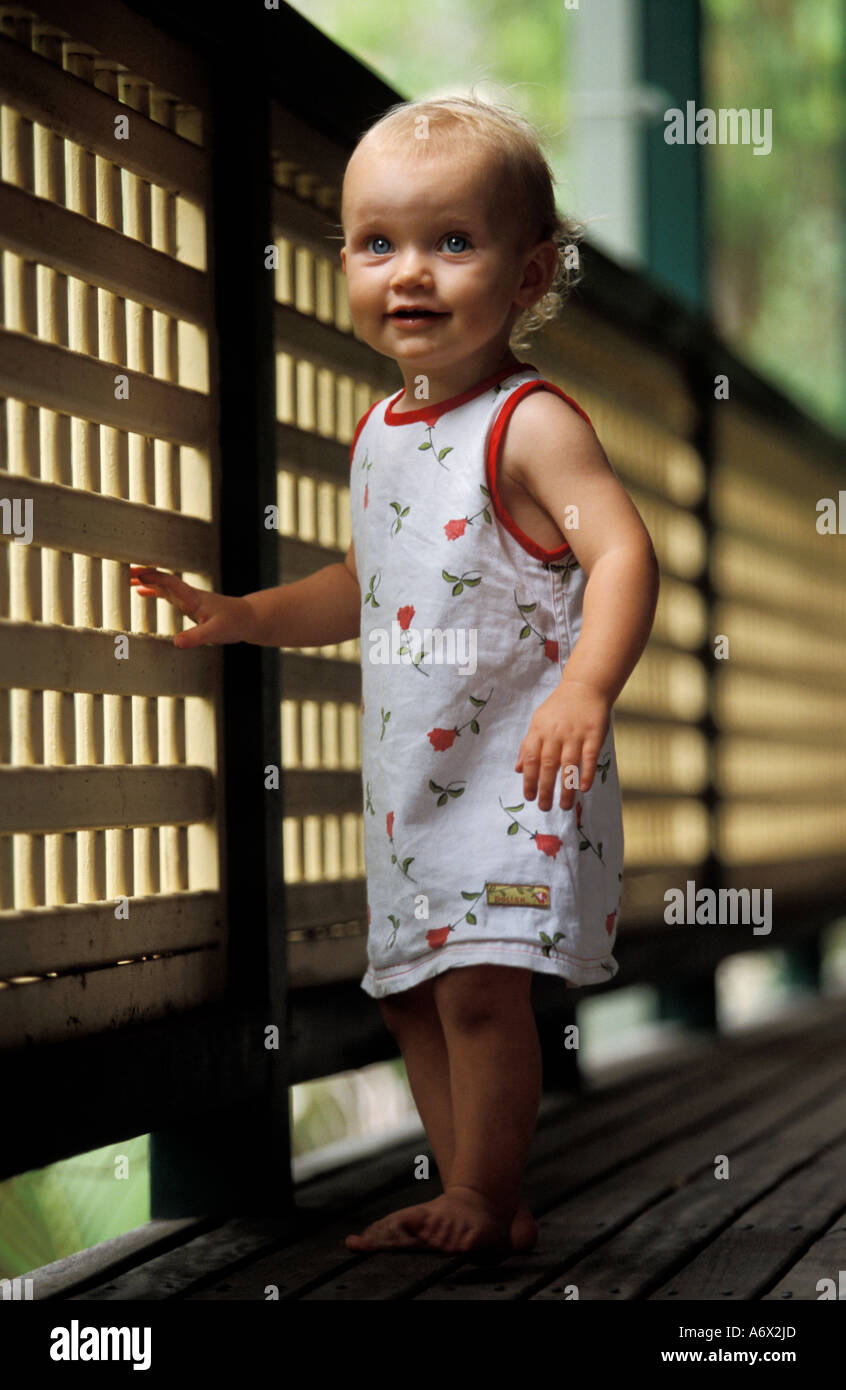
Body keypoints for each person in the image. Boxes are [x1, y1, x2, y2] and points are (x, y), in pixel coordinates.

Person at [130, 93, 660, 1264]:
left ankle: (478, 1187)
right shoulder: (384, 431)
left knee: (478, 988)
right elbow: (368, 584)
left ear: (530, 276)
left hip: (520, 775)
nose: (409, 273)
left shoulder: (528, 426)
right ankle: (481, 1189)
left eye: (452, 243)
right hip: (415, 796)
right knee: (411, 990)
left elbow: (622, 549)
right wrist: (243, 615)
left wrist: (587, 686)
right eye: (378, 243)